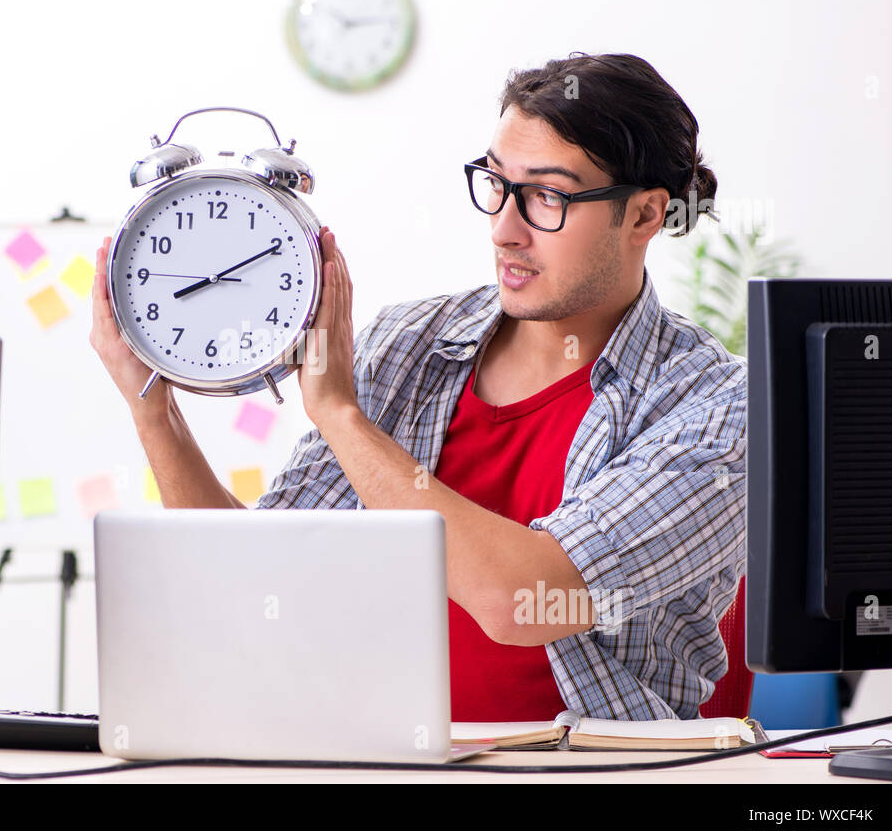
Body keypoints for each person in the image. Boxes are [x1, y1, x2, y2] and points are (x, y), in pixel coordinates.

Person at [90, 52, 745, 722]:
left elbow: (522, 600)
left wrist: (342, 415)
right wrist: (152, 407)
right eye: (495, 184)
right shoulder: (407, 345)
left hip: (588, 772)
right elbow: (249, 578)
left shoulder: (714, 407)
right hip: (368, 756)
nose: (504, 230)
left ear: (643, 215)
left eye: (547, 196)